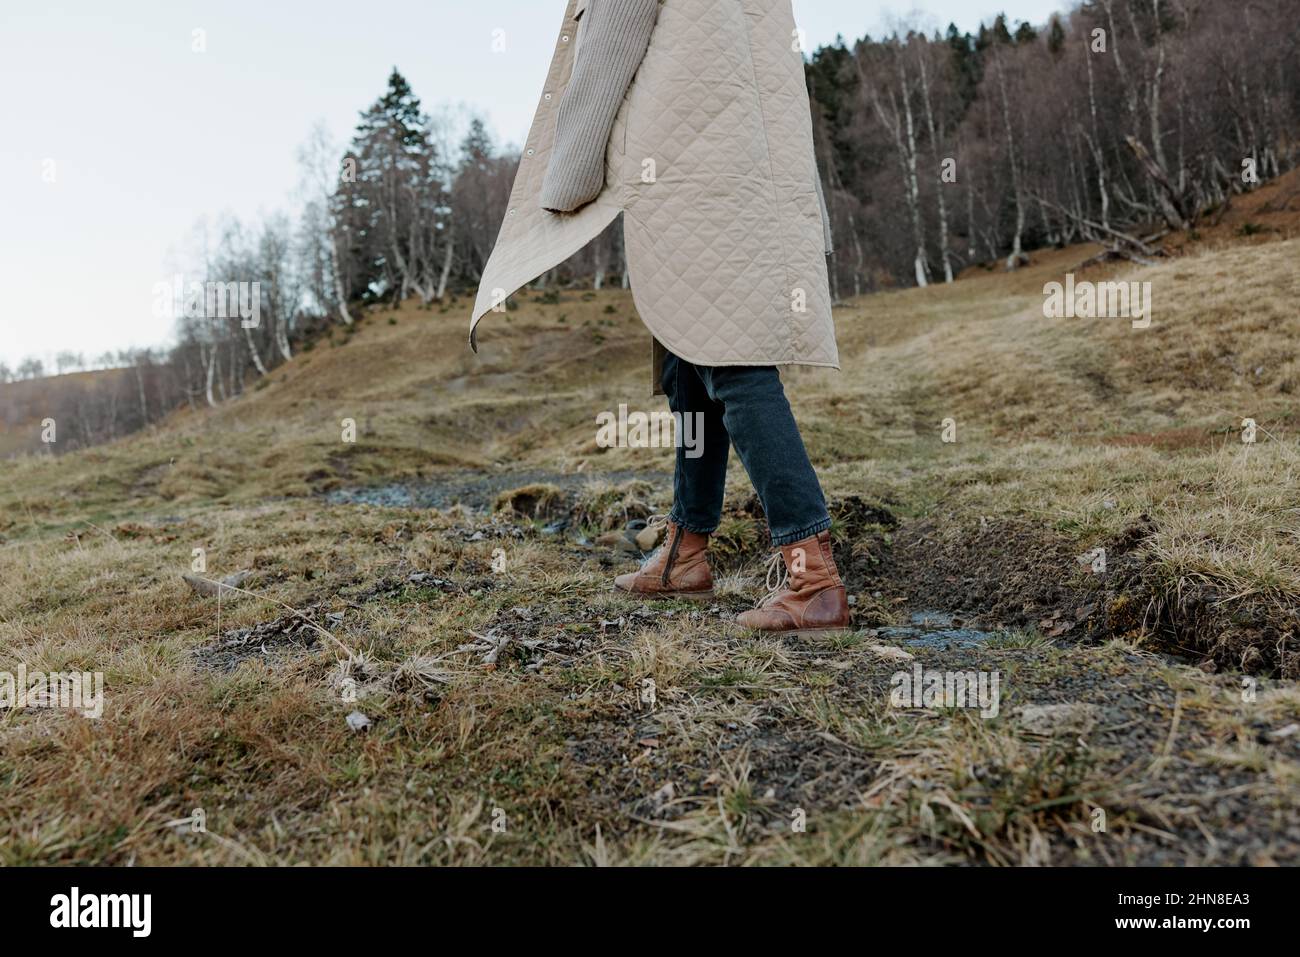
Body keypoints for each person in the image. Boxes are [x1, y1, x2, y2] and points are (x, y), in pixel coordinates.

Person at [470, 0, 849, 636]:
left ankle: (813, 578)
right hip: (746, 176)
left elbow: (607, 47)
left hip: (688, 175)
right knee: (687, 354)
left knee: (732, 362)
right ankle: (686, 550)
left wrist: (567, 179)